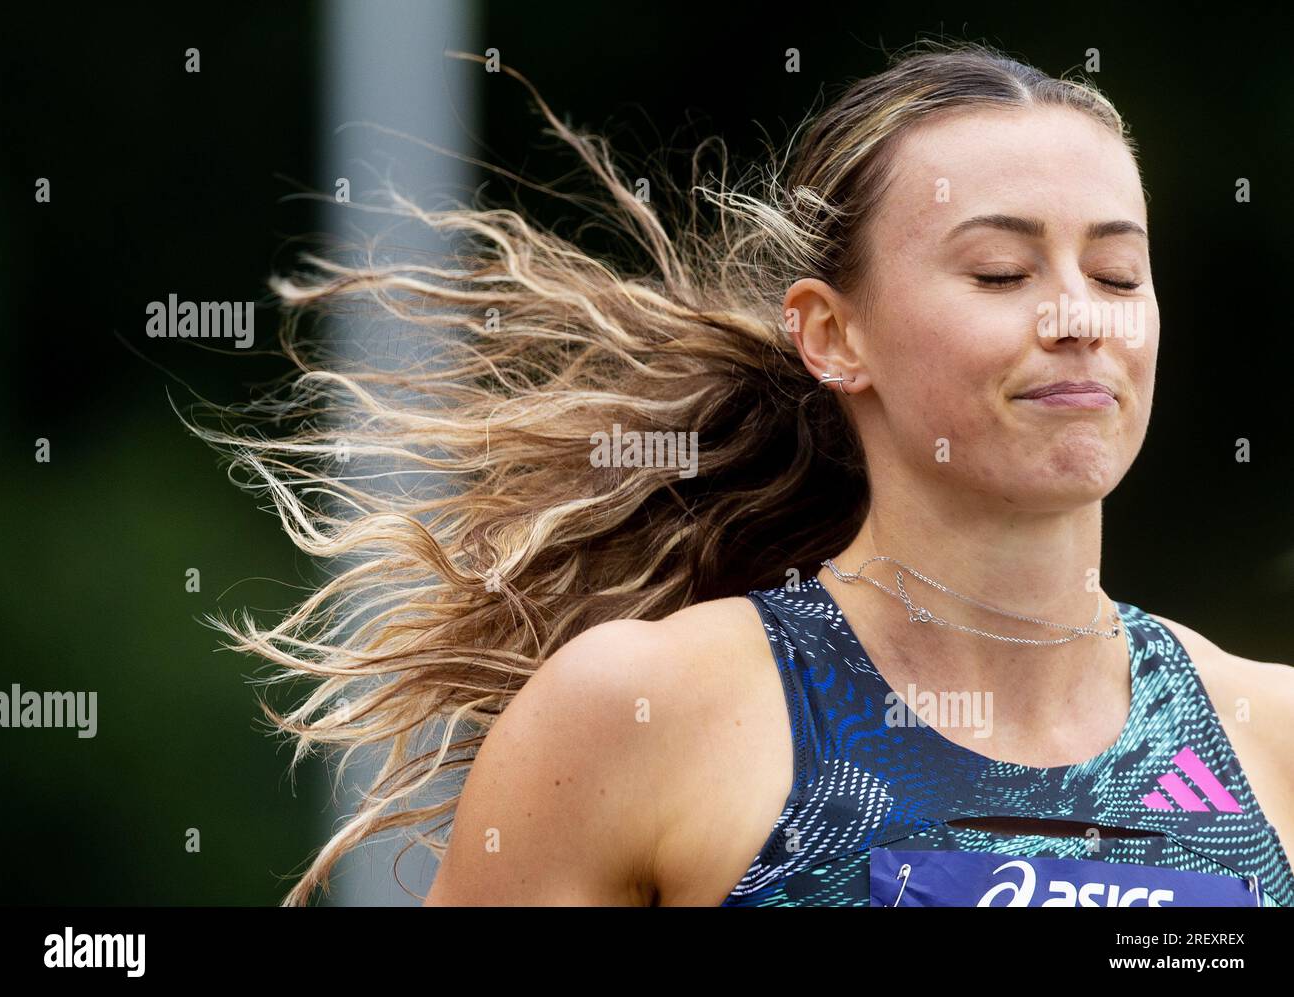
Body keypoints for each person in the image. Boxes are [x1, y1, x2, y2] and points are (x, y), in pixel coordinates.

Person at [199, 40, 1294, 906]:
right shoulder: (643, 713)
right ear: (831, 335)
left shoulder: (1272, 738)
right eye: (1000, 270)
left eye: (1115, 274)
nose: (1074, 319)